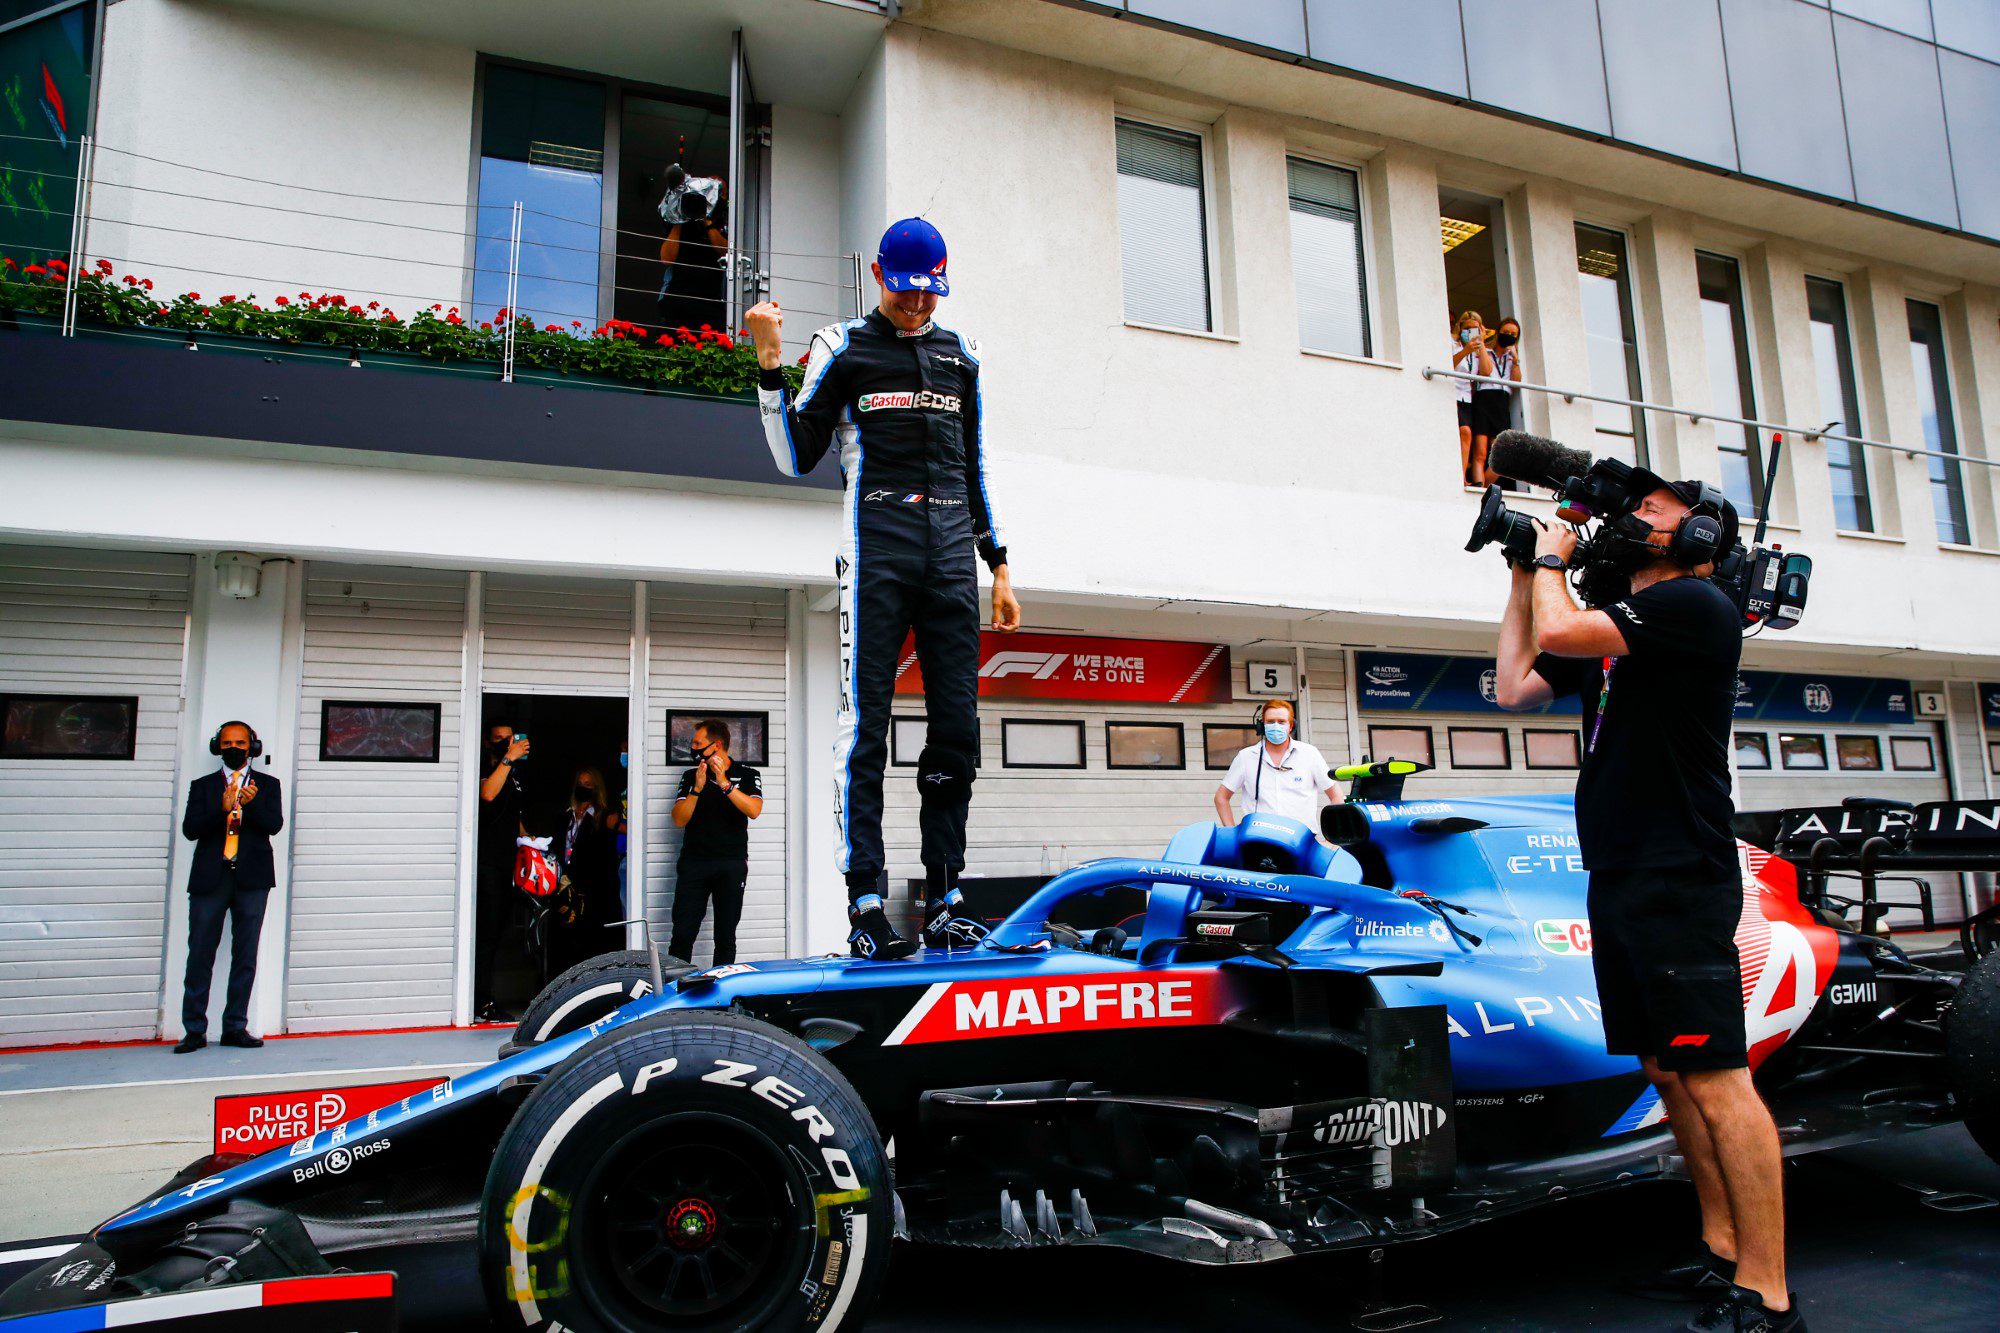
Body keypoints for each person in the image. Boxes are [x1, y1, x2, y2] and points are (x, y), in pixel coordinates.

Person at [1493, 479, 1804, 1331]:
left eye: (1658, 508)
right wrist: (1525, 567)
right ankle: (1720, 1250)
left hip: (1679, 872)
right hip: (1624, 872)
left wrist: (1555, 554)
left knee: (1717, 1077)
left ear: (1698, 533)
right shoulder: (1618, 635)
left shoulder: (1697, 604)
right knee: (1668, 1070)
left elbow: (1560, 625)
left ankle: (1768, 1295)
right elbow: (1513, 682)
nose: (1638, 516)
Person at [746, 217, 1023, 960]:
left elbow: (976, 466)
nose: (916, 307)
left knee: (958, 730)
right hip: (874, 550)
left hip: (952, 556)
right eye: (904, 293)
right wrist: (771, 366)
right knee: (864, 727)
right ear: (878, 275)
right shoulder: (842, 347)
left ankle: (945, 896)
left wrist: (996, 562)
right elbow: (794, 454)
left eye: (929, 294)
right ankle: (865, 903)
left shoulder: (961, 357)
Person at [175, 721, 284, 1053]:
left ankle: (235, 1026)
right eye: (226, 743)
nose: (233, 748)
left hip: (252, 879)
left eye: (240, 742)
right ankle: (194, 1030)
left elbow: (274, 825)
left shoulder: (267, 784)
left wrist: (247, 807)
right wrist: (221, 810)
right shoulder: (203, 786)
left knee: (245, 955)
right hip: (211, 878)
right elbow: (190, 830)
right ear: (216, 746)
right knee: (200, 954)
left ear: (252, 745)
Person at [668, 719, 765, 965]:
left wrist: (724, 783)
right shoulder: (691, 776)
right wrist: (697, 789)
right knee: (682, 934)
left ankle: (720, 999)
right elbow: (679, 819)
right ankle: (675, 993)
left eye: (698, 743)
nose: (693, 748)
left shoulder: (747, 774)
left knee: (725, 936)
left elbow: (754, 810)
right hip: (694, 864)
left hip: (730, 865)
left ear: (716, 745)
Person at [1212, 700, 1338, 830]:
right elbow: (1221, 797)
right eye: (1271, 722)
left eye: (1281, 721)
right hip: (1258, 839)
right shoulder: (1246, 757)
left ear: (1290, 726)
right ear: (1262, 726)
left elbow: (1336, 796)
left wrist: (1332, 838)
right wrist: (1231, 833)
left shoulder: (1309, 754)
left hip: (1301, 840)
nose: (1276, 726)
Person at [475, 723, 529, 1021]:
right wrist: (507, 758)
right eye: (499, 740)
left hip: (509, 862)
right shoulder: (484, 766)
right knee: (486, 934)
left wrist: (528, 839)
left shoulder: (517, 775)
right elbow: (488, 794)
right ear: (488, 742)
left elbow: (514, 814)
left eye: (510, 738)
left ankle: (486, 996)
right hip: (487, 864)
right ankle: (481, 1001)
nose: (506, 743)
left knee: (498, 932)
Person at [657, 187, 728, 334]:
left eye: (719, 190)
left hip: (711, 299)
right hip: (678, 298)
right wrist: (679, 218)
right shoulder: (681, 222)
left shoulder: (725, 221)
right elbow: (666, 258)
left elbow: (728, 252)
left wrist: (707, 221)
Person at [1471, 316, 1523, 485]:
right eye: (1505, 332)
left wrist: (1515, 359)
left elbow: (1516, 382)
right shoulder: (1486, 352)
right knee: (1480, 452)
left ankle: (1483, 486)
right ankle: (1479, 488)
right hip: (1484, 399)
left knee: (1502, 454)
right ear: (1498, 332)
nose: (1509, 335)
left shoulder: (1512, 358)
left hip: (1501, 403)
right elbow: (1485, 372)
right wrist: (1484, 346)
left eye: (1513, 334)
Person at [1451, 310, 1495, 485]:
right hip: (1452, 393)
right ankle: (1461, 477)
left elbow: (1486, 371)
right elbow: (1448, 363)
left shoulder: (1476, 351)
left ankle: (1463, 477)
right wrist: (1465, 350)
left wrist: (1481, 344)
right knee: (1465, 432)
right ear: (1459, 328)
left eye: (1475, 329)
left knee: (1467, 435)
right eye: (1467, 328)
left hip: (1467, 398)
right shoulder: (1453, 344)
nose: (1470, 333)